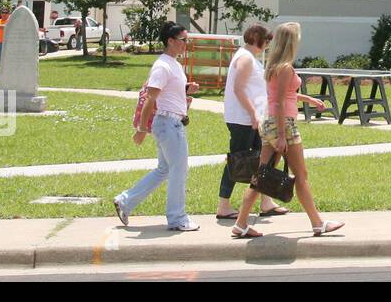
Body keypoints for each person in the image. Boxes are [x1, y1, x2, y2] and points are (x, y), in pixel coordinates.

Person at [232, 22, 341, 239]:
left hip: (271, 123)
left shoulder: (274, 67)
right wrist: (282, 135)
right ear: (292, 42)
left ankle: (241, 223)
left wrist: (307, 98)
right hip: (283, 125)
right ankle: (318, 224)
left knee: (261, 176)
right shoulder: (285, 68)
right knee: (301, 175)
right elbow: (280, 102)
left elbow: (281, 95)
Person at [112, 21, 201, 232]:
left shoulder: (174, 64)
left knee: (164, 170)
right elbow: (150, 99)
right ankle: (177, 218)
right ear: (170, 41)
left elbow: (167, 93)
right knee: (178, 170)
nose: (185, 44)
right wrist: (142, 129)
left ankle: (125, 201)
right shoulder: (162, 66)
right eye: (183, 40)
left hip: (171, 123)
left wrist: (186, 89)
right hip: (169, 124)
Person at [216, 24, 288, 220]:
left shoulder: (249, 58)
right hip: (243, 120)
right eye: (266, 40)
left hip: (253, 119)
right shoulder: (245, 58)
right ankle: (223, 204)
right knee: (237, 161)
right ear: (256, 37)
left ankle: (266, 202)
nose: (267, 45)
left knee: (263, 160)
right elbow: (238, 89)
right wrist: (253, 114)